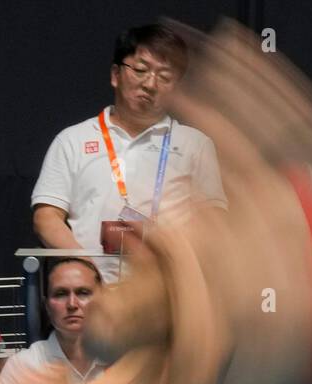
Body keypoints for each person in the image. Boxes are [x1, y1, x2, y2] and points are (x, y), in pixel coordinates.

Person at [31, 23, 227, 283]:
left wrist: (174, 252)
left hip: (167, 292)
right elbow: (46, 216)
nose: (150, 84)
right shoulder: (72, 140)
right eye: (141, 70)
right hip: (94, 298)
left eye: (165, 77)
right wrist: (84, 268)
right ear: (115, 74)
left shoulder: (196, 145)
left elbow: (214, 221)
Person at [0, 257, 107, 384]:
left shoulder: (124, 364)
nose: (72, 304)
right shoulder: (24, 366)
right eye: (60, 294)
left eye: (83, 292)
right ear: (46, 306)